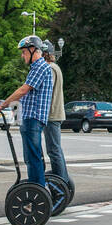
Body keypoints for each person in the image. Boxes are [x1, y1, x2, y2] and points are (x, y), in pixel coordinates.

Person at [0, 36, 53, 187]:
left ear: (33, 50)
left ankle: (38, 191)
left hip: (32, 118)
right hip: (31, 118)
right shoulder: (37, 68)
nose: (22, 55)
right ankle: (38, 188)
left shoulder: (40, 67)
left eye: (24, 52)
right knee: (32, 156)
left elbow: (23, 90)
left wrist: (2, 105)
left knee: (33, 157)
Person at [41, 40, 69, 184]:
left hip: (51, 114)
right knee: (56, 149)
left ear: (44, 54)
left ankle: (61, 182)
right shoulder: (55, 67)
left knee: (53, 151)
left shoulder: (50, 68)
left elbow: (47, 90)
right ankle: (63, 179)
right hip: (56, 113)